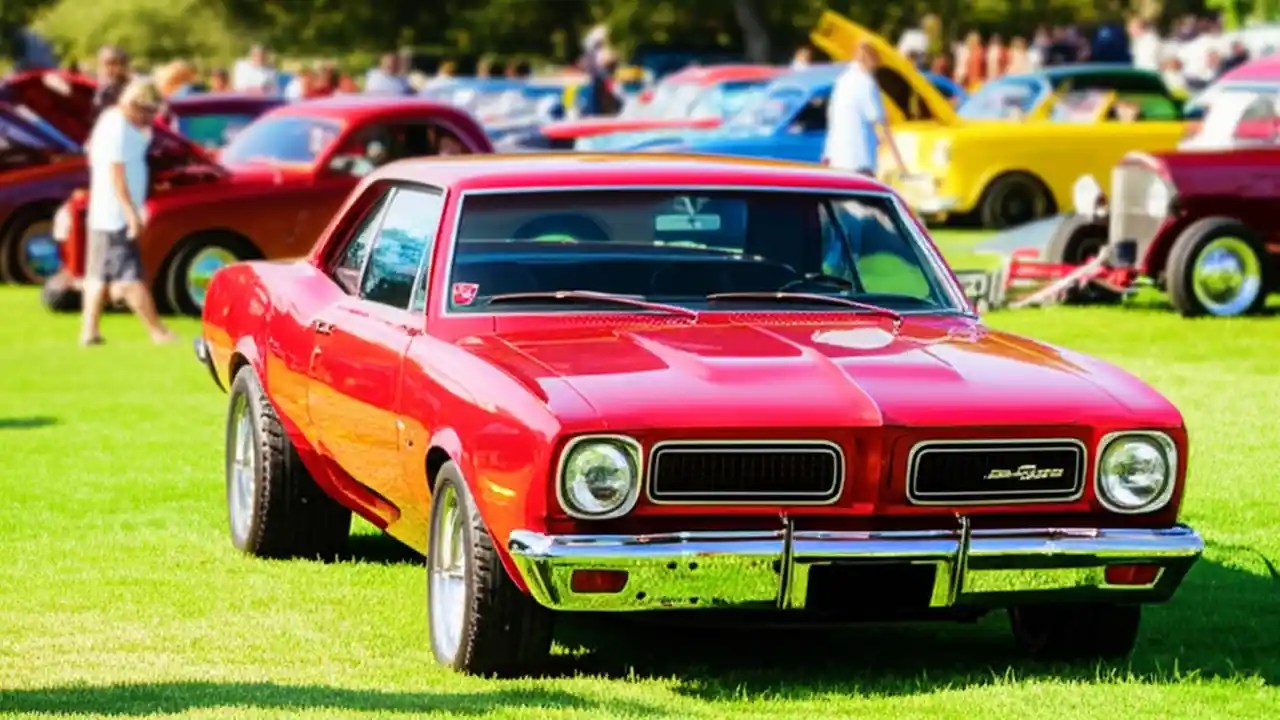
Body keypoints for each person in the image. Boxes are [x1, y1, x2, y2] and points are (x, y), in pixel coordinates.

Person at [80, 80, 176, 347]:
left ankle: (89, 331)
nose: (149, 118)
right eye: (146, 111)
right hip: (116, 214)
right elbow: (117, 174)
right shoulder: (117, 128)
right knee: (130, 277)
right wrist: (130, 212)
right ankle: (157, 331)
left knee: (97, 276)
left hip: (102, 213)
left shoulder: (116, 121)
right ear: (133, 105)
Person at [822, 42, 906, 178]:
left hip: (837, 159)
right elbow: (879, 121)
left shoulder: (842, 81)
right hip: (860, 159)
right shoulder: (866, 83)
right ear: (872, 61)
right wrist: (901, 165)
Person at [92, 46, 131, 120]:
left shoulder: (132, 88)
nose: (110, 68)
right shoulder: (93, 85)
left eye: (114, 63)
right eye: (107, 63)